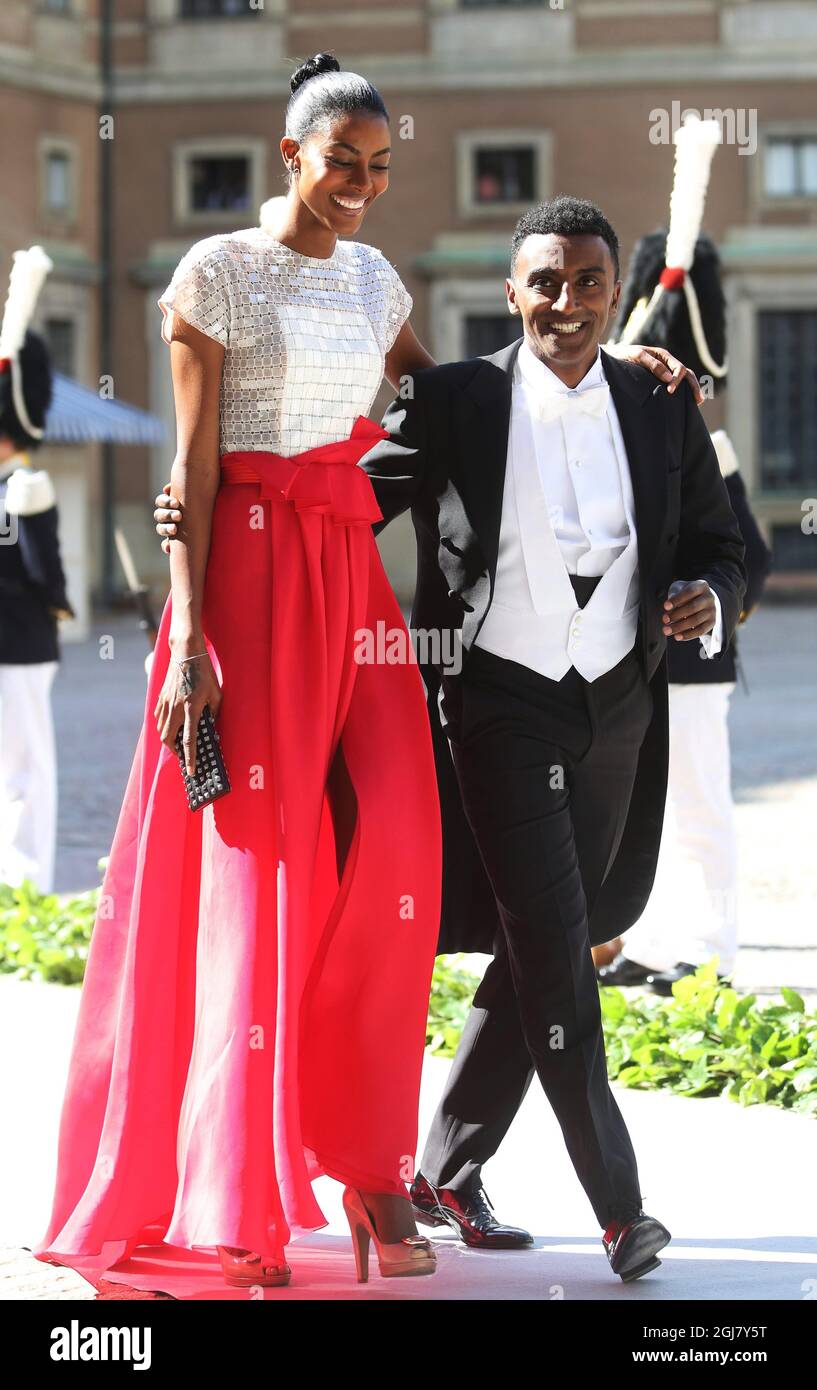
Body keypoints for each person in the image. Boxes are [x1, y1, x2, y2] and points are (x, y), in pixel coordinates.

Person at [157, 192, 745, 1282]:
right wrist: (224, 514)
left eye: (587, 284)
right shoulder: (459, 400)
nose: (564, 303)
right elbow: (340, 499)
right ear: (509, 290)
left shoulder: (659, 401)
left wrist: (709, 589)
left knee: (568, 926)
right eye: (544, 283)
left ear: (616, 292)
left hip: (614, 706)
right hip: (497, 706)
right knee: (558, 943)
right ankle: (622, 1210)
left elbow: (727, 544)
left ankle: (443, 1167)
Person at [34, 52, 448, 1298]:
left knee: (398, 847)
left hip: (350, 584)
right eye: (341, 166)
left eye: (379, 169)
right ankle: (241, 1196)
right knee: (256, 874)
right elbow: (198, 468)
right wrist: (192, 640)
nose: (362, 190)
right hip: (246, 591)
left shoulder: (376, 278)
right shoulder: (215, 273)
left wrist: (607, 371)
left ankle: (368, 1157)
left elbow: (448, 398)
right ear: (290, 156)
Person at [598, 129, 772, 995]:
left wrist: (710, 599)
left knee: (698, 800)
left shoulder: (714, 444)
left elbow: (753, 560)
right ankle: (649, 940)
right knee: (638, 806)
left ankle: (713, 951)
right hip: (621, 650)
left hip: (695, 655)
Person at [0, 246, 73, 895]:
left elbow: (42, 571)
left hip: (17, 646)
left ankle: (24, 887)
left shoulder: (25, 485)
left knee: (22, 769)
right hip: (16, 643)